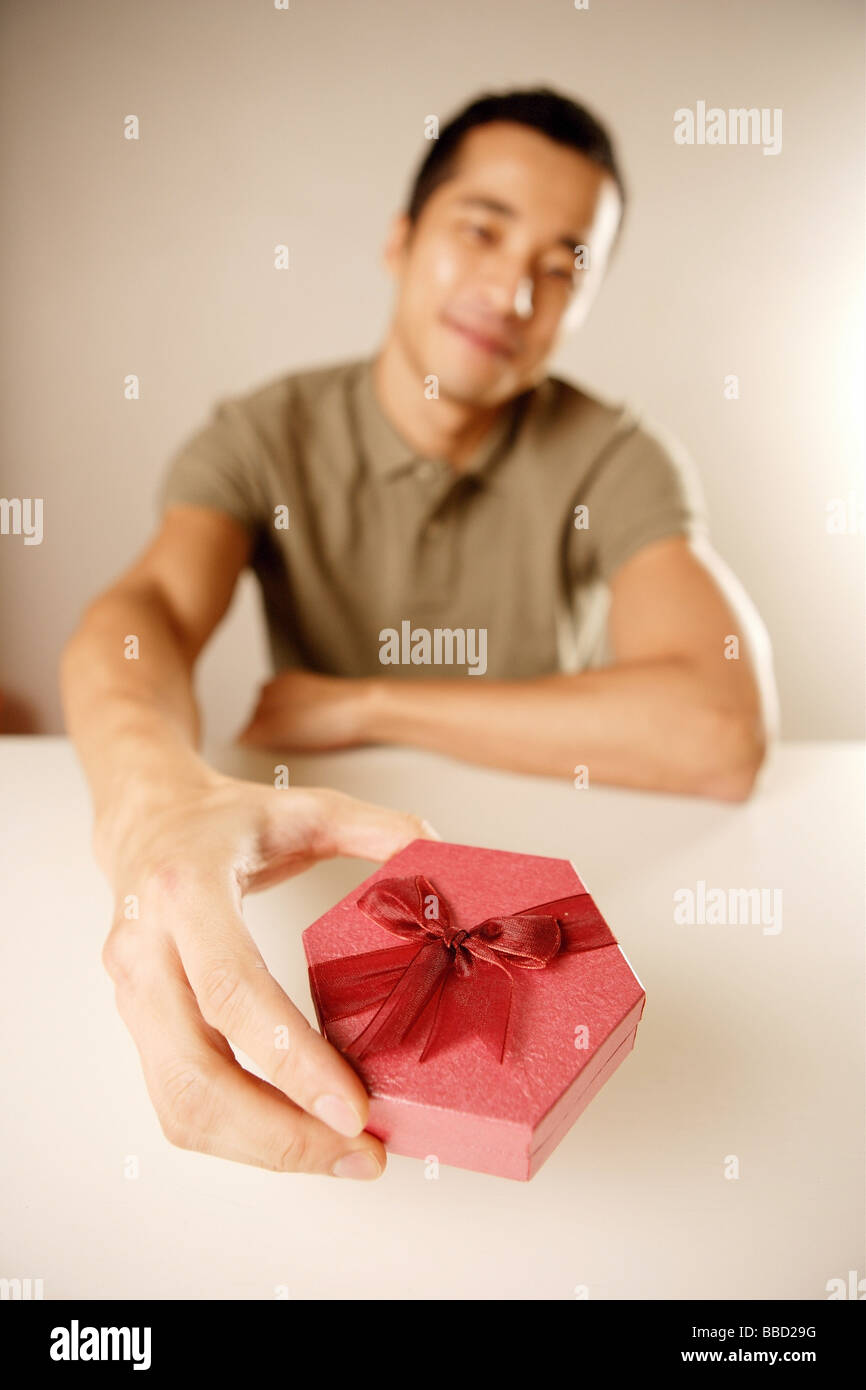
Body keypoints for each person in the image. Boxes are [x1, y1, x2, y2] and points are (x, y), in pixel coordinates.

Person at [60, 86, 778, 1181]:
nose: (511, 288)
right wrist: (155, 803)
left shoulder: (614, 455)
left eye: (563, 263)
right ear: (401, 241)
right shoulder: (264, 433)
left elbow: (718, 727)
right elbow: (138, 617)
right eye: (481, 230)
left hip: (559, 879)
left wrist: (363, 699)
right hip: (339, 881)